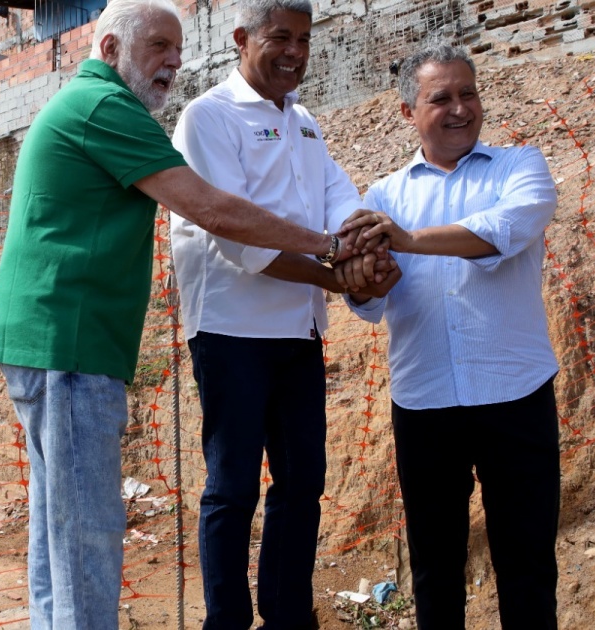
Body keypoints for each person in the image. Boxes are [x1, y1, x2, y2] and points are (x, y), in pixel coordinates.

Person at [0, 0, 376, 626]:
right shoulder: (109, 107)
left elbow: (331, 192)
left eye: (178, 48)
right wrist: (333, 252)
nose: (174, 61)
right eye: (159, 47)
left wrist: (353, 239)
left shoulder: (104, 106)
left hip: (67, 341)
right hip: (74, 341)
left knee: (60, 530)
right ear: (111, 50)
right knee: (87, 532)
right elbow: (216, 213)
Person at [168, 0, 398, 627]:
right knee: (233, 486)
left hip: (299, 330)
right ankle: (227, 620)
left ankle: (289, 615)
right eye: (280, 38)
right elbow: (245, 245)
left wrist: (359, 242)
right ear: (242, 38)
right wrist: (337, 267)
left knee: (301, 484)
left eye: (304, 38)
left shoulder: (305, 122)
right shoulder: (209, 118)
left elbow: (337, 198)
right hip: (231, 331)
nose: (295, 51)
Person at [338, 44, 560, 630]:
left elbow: (502, 230)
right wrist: (362, 281)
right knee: (435, 568)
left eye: (469, 93)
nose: (460, 108)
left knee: (528, 561)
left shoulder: (520, 167)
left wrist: (406, 242)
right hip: (426, 401)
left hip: (515, 394)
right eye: (441, 98)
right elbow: (367, 305)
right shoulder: (384, 196)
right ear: (408, 111)